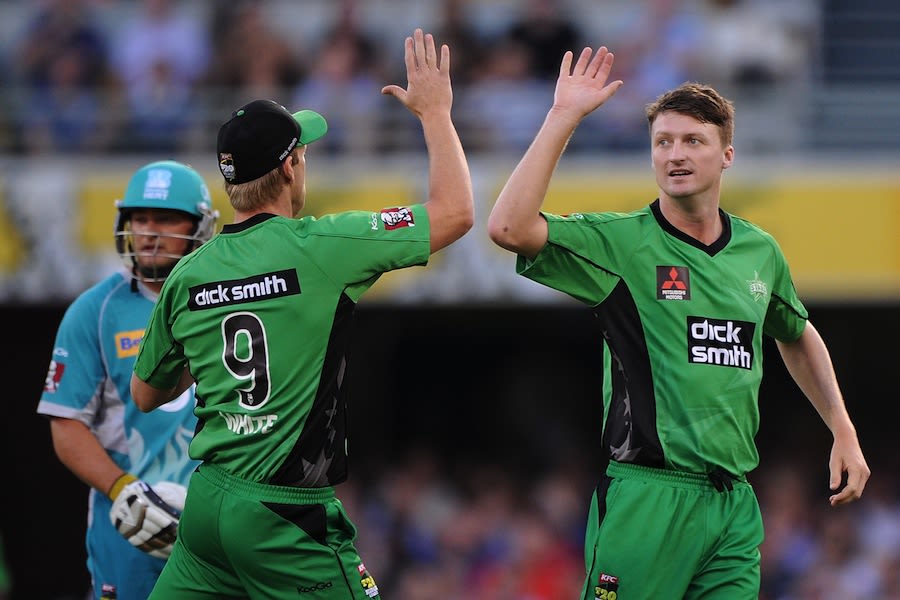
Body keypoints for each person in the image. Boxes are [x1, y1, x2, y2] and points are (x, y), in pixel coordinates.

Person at [486, 46, 870, 599]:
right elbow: (507, 228)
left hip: (732, 508)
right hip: (647, 498)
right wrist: (562, 116)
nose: (675, 154)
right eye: (662, 142)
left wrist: (842, 427)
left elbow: (796, 331)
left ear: (727, 154)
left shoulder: (760, 252)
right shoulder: (621, 243)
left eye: (693, 141)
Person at [130, 28, 473, 599]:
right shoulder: (324, 245)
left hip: (209, 506)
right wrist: (436, 113)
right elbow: (456, 212)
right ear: (289, 168)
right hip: (283, 513)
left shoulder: (189, 273)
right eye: (303, 153)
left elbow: (145, 394)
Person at [37, 160, 218, 600]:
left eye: (166, 218)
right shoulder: (92, 311)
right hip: (132, 530)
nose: (149, 231)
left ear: (200, 225)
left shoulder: (229, 299)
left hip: (219, 526)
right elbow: (66, 424)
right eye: (140, 218)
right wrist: (124, 491)